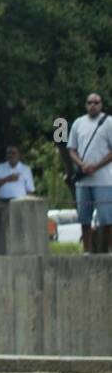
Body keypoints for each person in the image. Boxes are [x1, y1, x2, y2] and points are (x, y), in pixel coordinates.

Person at [68, 91, 112, 254]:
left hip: (104, 180)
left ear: (101, 104)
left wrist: (97, 166)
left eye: (96, 102)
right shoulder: (78, 123)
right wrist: (82, 165)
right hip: (83, 180)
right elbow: (71, 149)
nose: (93, 105)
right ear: (86, 105)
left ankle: (108, 251)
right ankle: (86, 251)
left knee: (107, 219)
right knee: (84, 219)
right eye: (90, 102)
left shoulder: (108, 123)